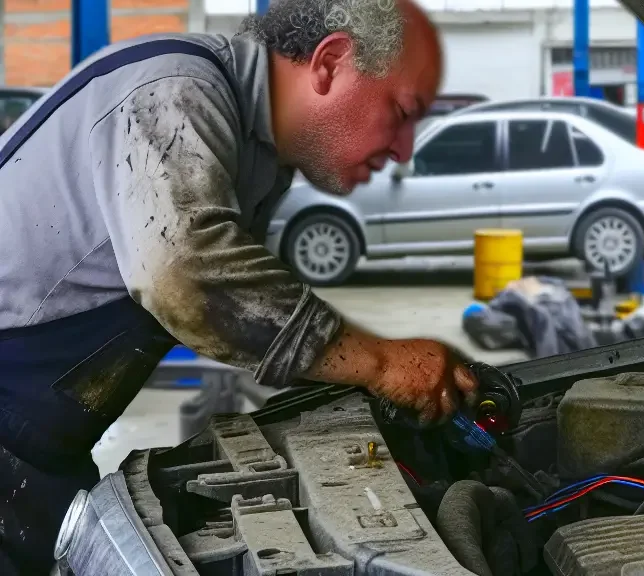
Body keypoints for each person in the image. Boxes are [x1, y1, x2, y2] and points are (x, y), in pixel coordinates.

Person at [0, 0, 479, 572]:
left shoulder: (258, 156)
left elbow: (237, 315)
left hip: (38, 444)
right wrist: (379, 362)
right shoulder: (177, 91)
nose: (403, 149)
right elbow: (186, 276)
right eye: (401, 112)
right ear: (328, 64)